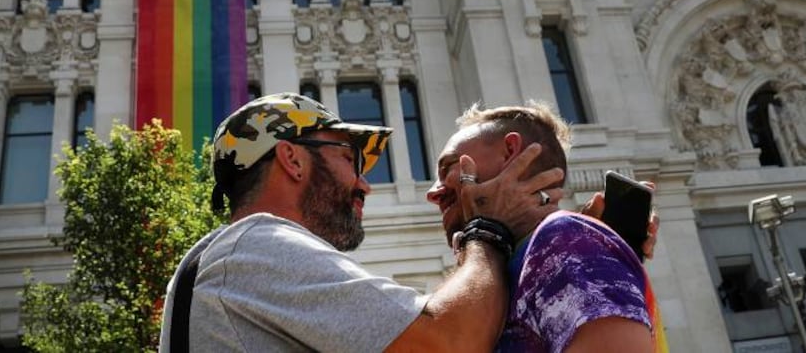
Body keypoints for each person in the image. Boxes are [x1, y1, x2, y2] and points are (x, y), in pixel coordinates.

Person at [158, 92, 565, 353]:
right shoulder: (256, 248)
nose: (364, 185)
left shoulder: (237, 258)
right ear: (292, 159)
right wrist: (488, 230)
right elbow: (449, 343)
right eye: (349, 159)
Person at [426, 101, 666, 353]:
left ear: (510, 152)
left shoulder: (564, 238)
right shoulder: (508, 271)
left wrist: (573, 248)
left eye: (448, 167)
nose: (432, 193)